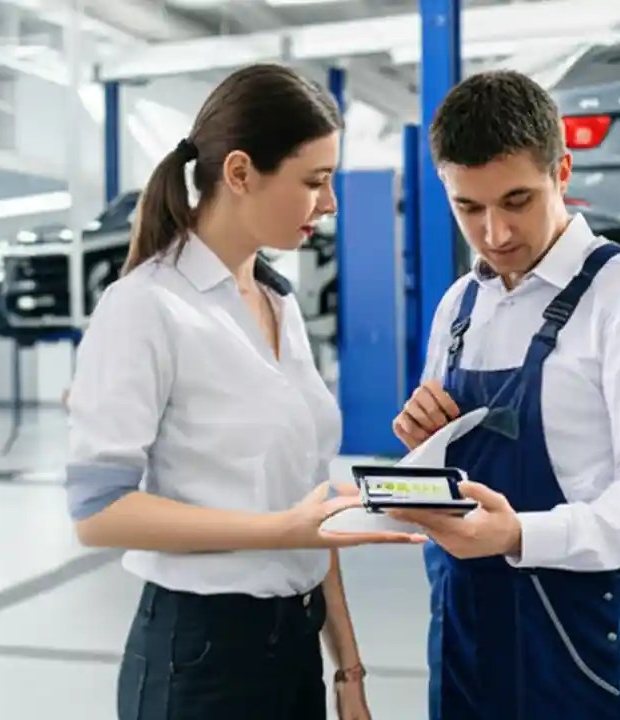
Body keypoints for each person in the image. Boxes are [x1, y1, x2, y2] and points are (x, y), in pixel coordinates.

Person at [63, 63, 422, 720]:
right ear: (239, 173)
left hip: (293, 650)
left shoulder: (281, 308)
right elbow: (97, 511)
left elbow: (308, 502)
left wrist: (348, 667)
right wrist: (277, 529)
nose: (331, 202)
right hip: (199, 660)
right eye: (314, 182)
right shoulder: (145, 308)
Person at [388, 70, 620, 720]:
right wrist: (426, 443)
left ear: (563, 171)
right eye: (468, 208)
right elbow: (457, 467)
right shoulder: (459, 305)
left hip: (571, 644)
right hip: (462, 636)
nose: (495, 233)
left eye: (517, 200)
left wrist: (518, 534)